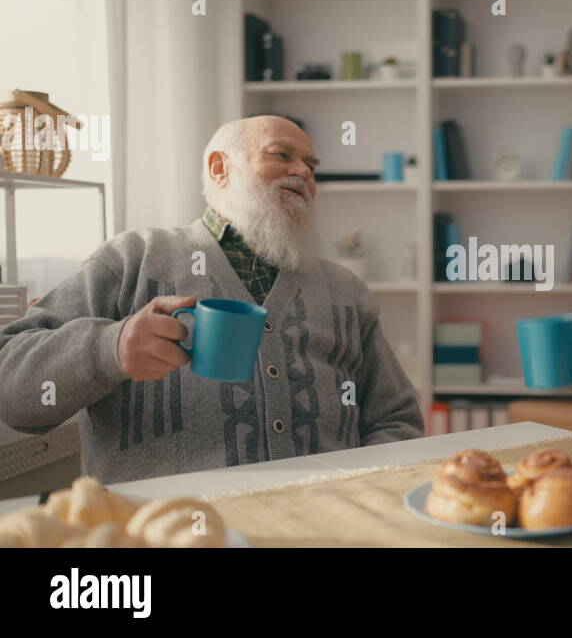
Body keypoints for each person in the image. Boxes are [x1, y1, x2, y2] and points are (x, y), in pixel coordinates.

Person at [0, 115, 423, 484]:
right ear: (220, 168)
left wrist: (356, 493)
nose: (304, 172)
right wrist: (111, 347)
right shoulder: (131, 259)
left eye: (311, 166)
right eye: (282, 155)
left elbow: (396, 419)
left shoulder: (346, 289)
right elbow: (10, 387)